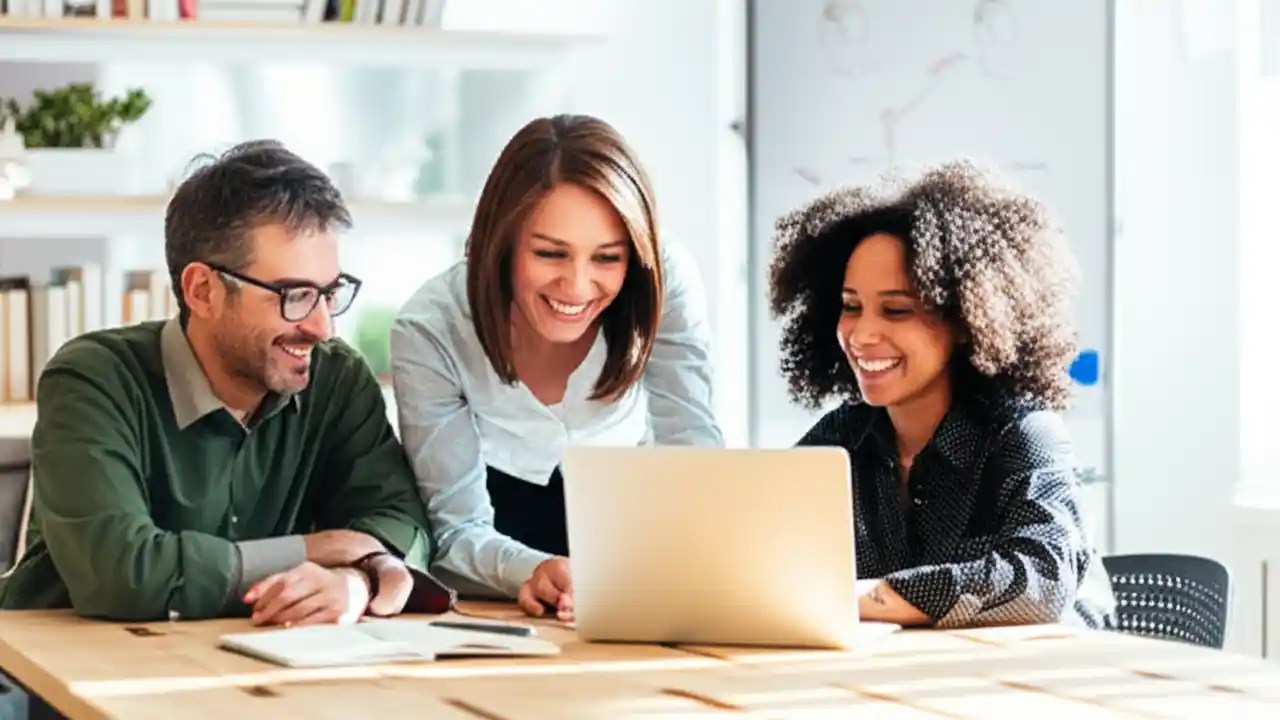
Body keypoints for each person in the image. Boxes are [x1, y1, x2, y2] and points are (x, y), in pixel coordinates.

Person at [0, 141, 434, 625]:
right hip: (60, 677)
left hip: (248, 670)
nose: (321, 327)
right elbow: (121, 574)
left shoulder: (335, 379)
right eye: (294, 295)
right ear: (202, 290)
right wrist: (314, 550)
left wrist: (358, 581)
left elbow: (403, 524)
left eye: (330, 293)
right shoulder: (92, 379)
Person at [391, 114, 723, 620]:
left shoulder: (664, 278)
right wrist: (530, 569)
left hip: (632, 521)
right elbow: (455, 529)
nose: (576, 285)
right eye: (550, 253)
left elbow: (695, 457)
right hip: (495, 544)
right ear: (501, 243)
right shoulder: (430, 327)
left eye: (606, 258)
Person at [768, 160, 1116, 629]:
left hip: (1039, 683)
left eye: (895, 310)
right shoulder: (843, 437)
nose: (862, 333)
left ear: (968, 322)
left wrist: (877, 596)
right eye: (851, 307)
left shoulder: (1025, 434)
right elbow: (762, 550)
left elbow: (1042, 579)